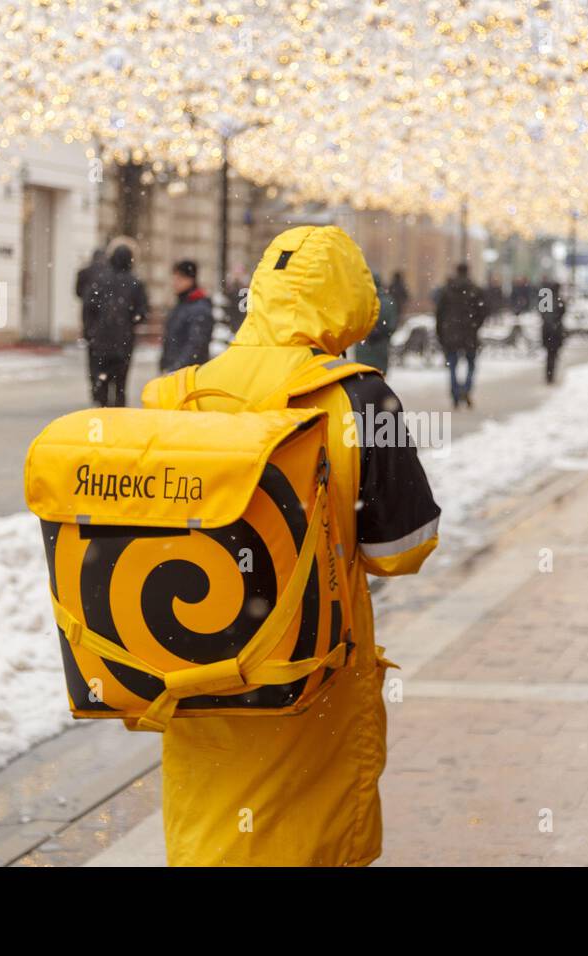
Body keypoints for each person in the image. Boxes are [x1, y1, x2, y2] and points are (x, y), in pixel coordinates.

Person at [156, 224, 440, 866]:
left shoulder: (185, 391)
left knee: (214, 840)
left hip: (201, 671)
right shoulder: (359, 397)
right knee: (305, 840)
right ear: (349, 303)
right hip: (308, 675)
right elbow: (403, 547)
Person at [88, 243, 149, 407]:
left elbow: (89, 307)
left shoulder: (100, 281)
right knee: (121, 384)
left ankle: (102, 410)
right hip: (123, 341)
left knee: (101, 380)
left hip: (100, 340)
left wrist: (91, 331)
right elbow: (142, 312)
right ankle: (118, 414)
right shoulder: (135, 283)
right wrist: (130, 322)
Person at [435, 262, 487, 408]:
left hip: (451, 333)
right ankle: (466, 389)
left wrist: (441, 331)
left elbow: (440, 313)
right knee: (471, 364)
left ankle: (455, 393)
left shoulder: (447, 290)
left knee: (452, 365)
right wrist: (475, 325)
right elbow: (483, 311)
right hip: (469, 333)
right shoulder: (475, 290)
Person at [159, 259, 214, 374]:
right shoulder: (181, 304)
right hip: (174, 372)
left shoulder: (200, 308)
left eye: (179, 278)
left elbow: (196, 345)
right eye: (174, 278)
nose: (174, 282)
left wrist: (176, 368)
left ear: (190, 280)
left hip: (187, 375)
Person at [354, 271, 398, 373]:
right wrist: (381, 333)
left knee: (363, 381)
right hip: (380, 349)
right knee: (379, 380)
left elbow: (354, 324)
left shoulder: (360, 301)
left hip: (363, 350)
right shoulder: (388, 301)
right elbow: (392, 325)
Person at [539, 276, 566, 384]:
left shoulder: (545, 301)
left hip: (547, 331)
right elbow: (562, 313)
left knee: (549, 354)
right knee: (553, 355)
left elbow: (542, 315)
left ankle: (548, 374)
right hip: (555, 332)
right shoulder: (559, 301)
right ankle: (550, 374)